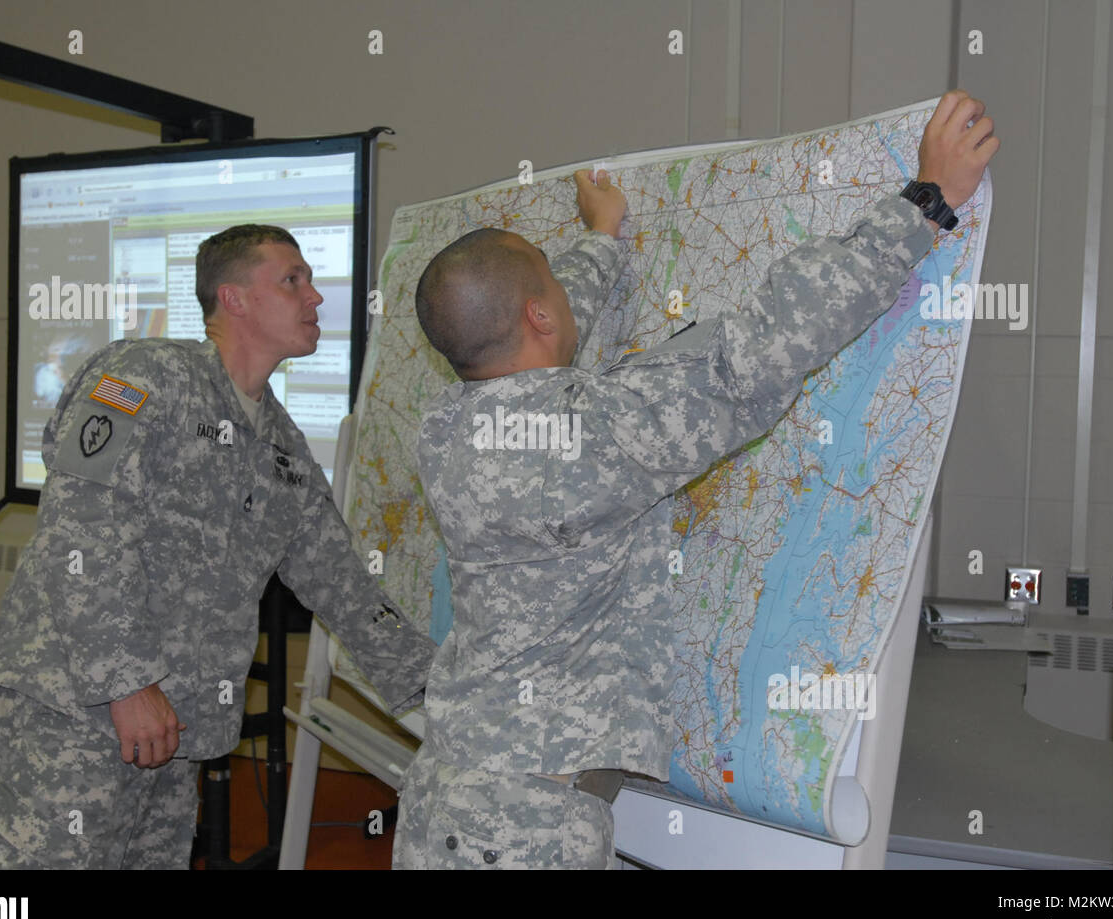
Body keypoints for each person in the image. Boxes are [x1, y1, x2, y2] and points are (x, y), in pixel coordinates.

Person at [397, 90, 998, 868]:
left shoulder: (447, 428)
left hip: (446, 789)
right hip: (523, 831)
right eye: (549, 285)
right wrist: (926, 203)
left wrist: (600, 242)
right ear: (540, 318)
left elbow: (527, 326)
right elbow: (757, 347)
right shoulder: (598, 433)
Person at [0, 224, 433, 869]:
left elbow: (344, 585)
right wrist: (128, 684)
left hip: (175, 732)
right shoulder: (144, 375)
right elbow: (80, 532)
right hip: (72, 712)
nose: (316, 298)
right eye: (292, 280)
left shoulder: (283, 448)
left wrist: (437, 693)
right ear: (234, 298)